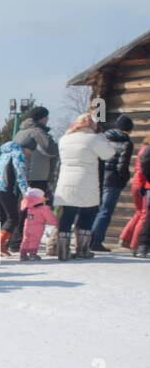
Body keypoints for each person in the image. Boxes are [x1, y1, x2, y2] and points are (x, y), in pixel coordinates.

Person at [52, 112, 116, 261]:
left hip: (65, 181)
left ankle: (62, 251)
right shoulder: (93, 139)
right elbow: (108, 154)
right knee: (88, 213)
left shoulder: (64, 139)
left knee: (67, 216)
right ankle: (83, 249)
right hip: (86, 182)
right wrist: (102, 137)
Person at [12, 107, 56, 252]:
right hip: (37, 175)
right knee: (35, 212)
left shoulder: (20, 132)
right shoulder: (38, 132)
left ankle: (16, 240)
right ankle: (27, 243)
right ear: (41, 118)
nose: (48, 120)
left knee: (21, 208)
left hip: (22, 176)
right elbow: (51, 149)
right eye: (46, 117)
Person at [91, 115, 136, 252]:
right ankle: (96, 241)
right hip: (113, 180)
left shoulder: (103, 138)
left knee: (96, 209)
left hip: (98, 177)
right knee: (105, 211)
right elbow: (122, 166)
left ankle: (88, 240)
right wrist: (124, 179)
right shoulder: (126, 143)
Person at [0, 139, 29, 256]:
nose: (28, 155)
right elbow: (20, 174)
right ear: (26, 148)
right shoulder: (18, 154)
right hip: (6, 188)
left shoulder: (4, 154)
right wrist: (26, 192)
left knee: (0, 217)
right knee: (13, 218)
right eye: (29, 151)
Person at [18, 187, 57, 261]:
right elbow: (50, 218)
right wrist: (56, 223)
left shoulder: (26, 207)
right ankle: (32, 254)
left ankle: (23, 254)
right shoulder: (44, 208)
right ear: (39, 197)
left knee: (25, 239)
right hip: (37, 228)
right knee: (34, 240)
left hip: (26, 226)